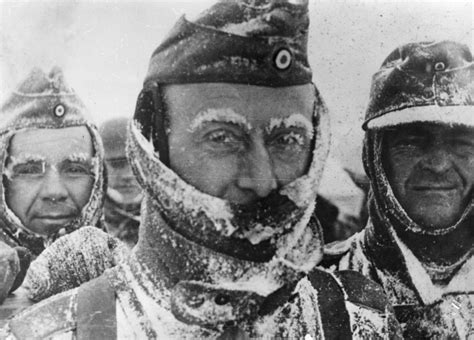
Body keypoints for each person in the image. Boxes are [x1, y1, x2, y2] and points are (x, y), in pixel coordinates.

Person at [4, 1, 401, 338]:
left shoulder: (358, 321)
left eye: (287, 140)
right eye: (221, 138)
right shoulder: (59, 331)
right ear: (153, 146)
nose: (262, 180)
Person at [326, 40, 474, 339]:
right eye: (411, 141)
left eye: (461, 142)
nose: (438, 164)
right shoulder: (316, 287)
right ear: (376, 158)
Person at [0, 68, 126, 307]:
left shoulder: (135, 268)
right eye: (29, 170)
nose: (54, 192)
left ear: (98, 180)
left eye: (75, 169)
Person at [99, 118, 142, 247]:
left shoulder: (168, 222)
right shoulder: (86, 226)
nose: (128, 175)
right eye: (118, 164)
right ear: (100, 167)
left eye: (136, 163)